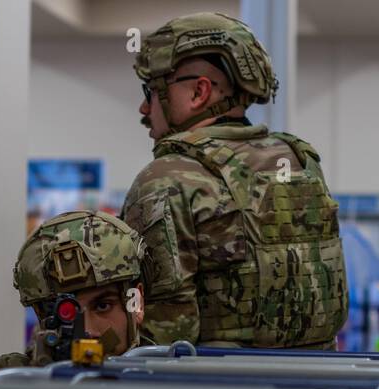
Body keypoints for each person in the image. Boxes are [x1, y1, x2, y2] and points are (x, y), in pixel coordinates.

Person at [121, 12, 347, 350]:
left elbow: (162, 336)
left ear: (199, 91)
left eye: (151, 89)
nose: (143, 107)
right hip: (319, 385)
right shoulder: (300, 160)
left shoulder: (166, 178)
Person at [0, 211, 148, 378]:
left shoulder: (162, 375)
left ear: (136, 304)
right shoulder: (9, 381)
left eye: (102, 306)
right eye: (66, 314)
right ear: (41, 315)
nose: (86, 331)